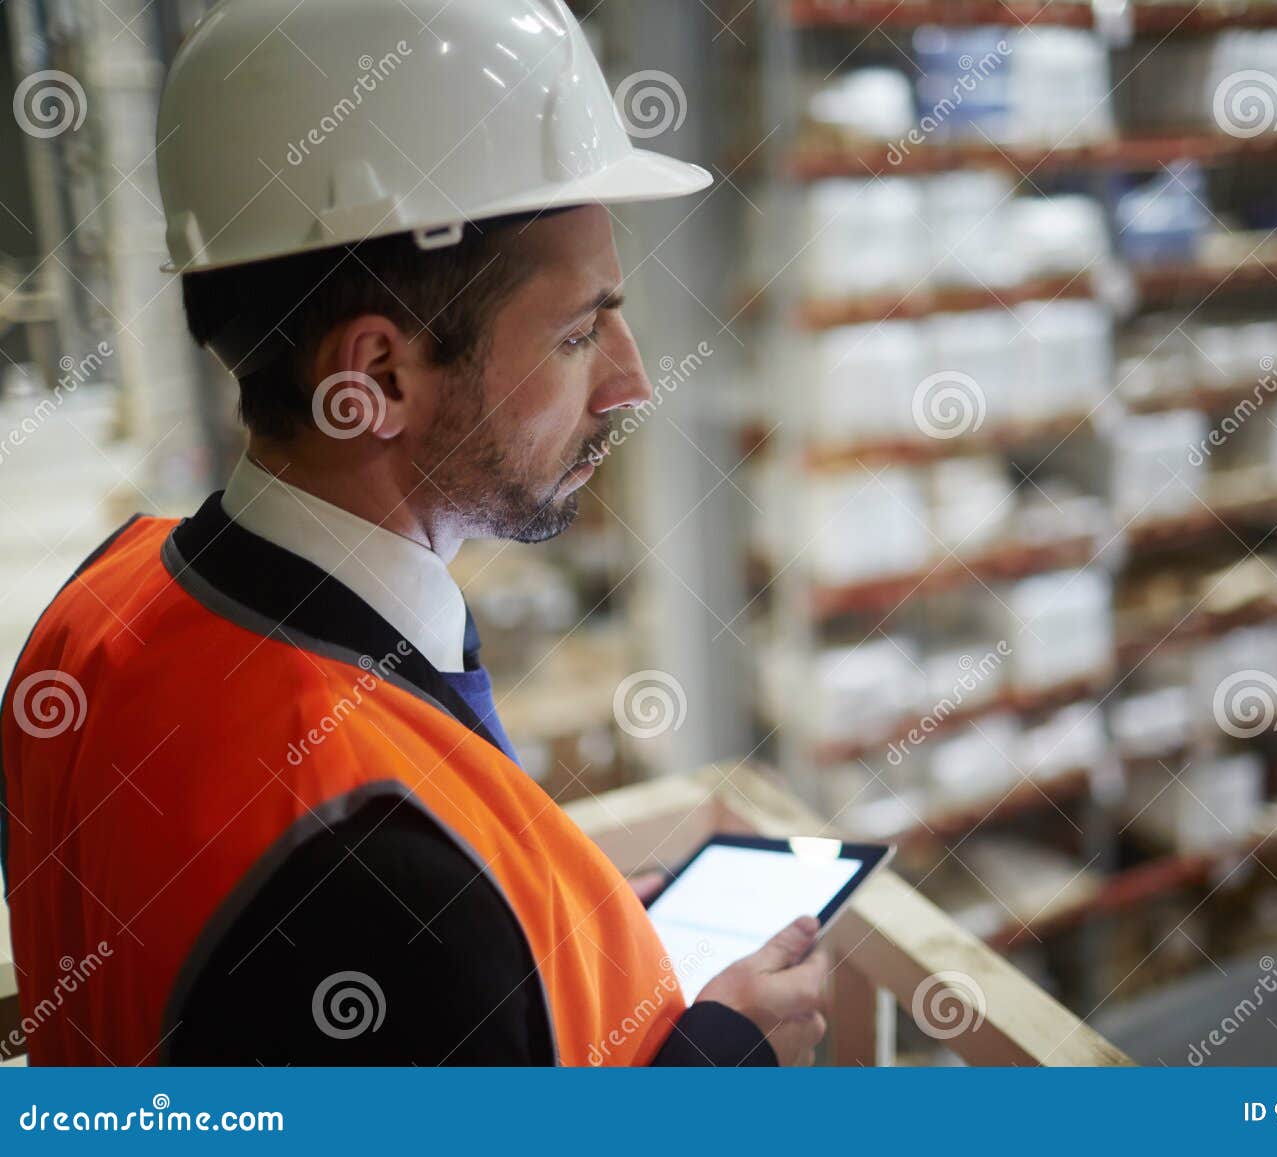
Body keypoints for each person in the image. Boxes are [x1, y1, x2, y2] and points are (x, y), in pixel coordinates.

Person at [0, 0, 829, 1066]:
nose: (629, 382)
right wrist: (718, 1060)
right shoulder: (386, 879)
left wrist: (530, 949)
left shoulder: (98, 606)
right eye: (578, 332)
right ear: (378, 377)